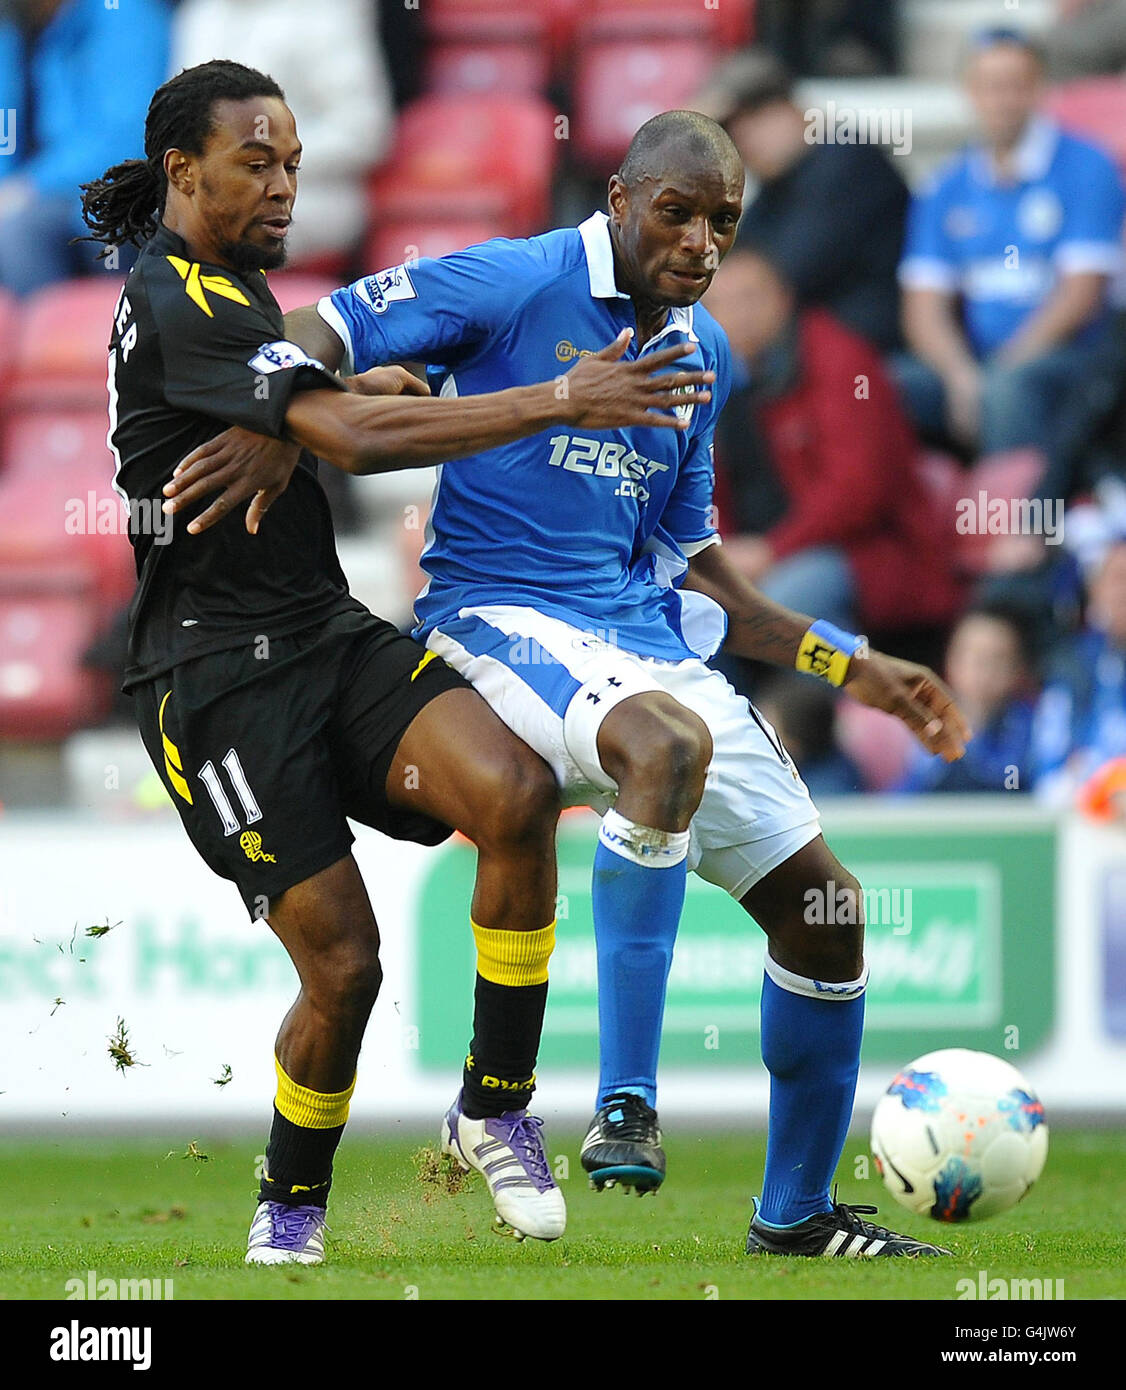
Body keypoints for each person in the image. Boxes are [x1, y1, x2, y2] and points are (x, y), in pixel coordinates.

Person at [172, 109, 971, 1258]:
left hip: (642, 640)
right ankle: (624, 1103)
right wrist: (281, 425)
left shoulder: (704, 354)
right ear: (619, 198)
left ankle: (792, 1214)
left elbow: (691, 567)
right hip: (496, 621)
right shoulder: (510, 281)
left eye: (723, 224)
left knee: (824, 916)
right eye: (677, 212)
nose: (700, 242)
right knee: (660, 748)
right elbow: (318, 324)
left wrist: (846, 662)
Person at [82, 61, 713, 1264]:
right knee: (346, 965)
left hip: (324, 630)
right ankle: (291, 1206)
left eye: (295, 164)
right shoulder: (183, 300)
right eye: (255, 162)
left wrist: (320, 402)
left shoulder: (229, 292)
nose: (284, 186)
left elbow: (311, 410)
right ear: (183, 170)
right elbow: (357, 443)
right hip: (213, 682)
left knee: (517, 794)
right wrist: (553, 397)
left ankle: (495, 1104)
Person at [703, 247, 961, 647]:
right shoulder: (711, 374)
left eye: (751, 297)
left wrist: (772, 551)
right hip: (760, 554)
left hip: (871, 555)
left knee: (789, 602)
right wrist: (718, 553)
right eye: (719, 303)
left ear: (785, 298)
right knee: (688, 605)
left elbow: (857, 493)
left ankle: (820, 709)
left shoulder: (842, 362)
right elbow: (700, 485)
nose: (738, 314)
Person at [896, 27, 1126, 458]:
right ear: (969, 91)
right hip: (974, 365)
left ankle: (1012, 520)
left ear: (1040, 88)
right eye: (990, 86)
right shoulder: (947, 184)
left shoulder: (1087, 166)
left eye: (1016, 85)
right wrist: (960, 374)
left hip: (1070, 360)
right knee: (885, 385)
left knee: (1008, 390)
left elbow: (1081, 296)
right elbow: (923, 308)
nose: (1002, 99)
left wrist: (1000, 370)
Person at [695, 48, 909, 352]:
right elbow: (725, 262)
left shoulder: (846, 161)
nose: (740, 141)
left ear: (790, 108)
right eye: (728, 132)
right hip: (809, 361)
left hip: (876, 359)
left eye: (751, 118)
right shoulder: (778, 185)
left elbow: (774, 278)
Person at [0, 0, 170, 295]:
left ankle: (54, 339)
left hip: (107, 191)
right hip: (42, 192)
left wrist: (29, 187)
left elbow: (126, 142)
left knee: (22, 233)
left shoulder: (122, 14)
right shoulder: (15, 31)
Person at [898, 604, 1038, 794]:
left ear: (1018, 670)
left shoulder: (1032, 727)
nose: (985, 673)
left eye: (997, 660)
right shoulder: (930, 723)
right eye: (975, 658)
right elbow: (908, 796)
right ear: (951, 661)